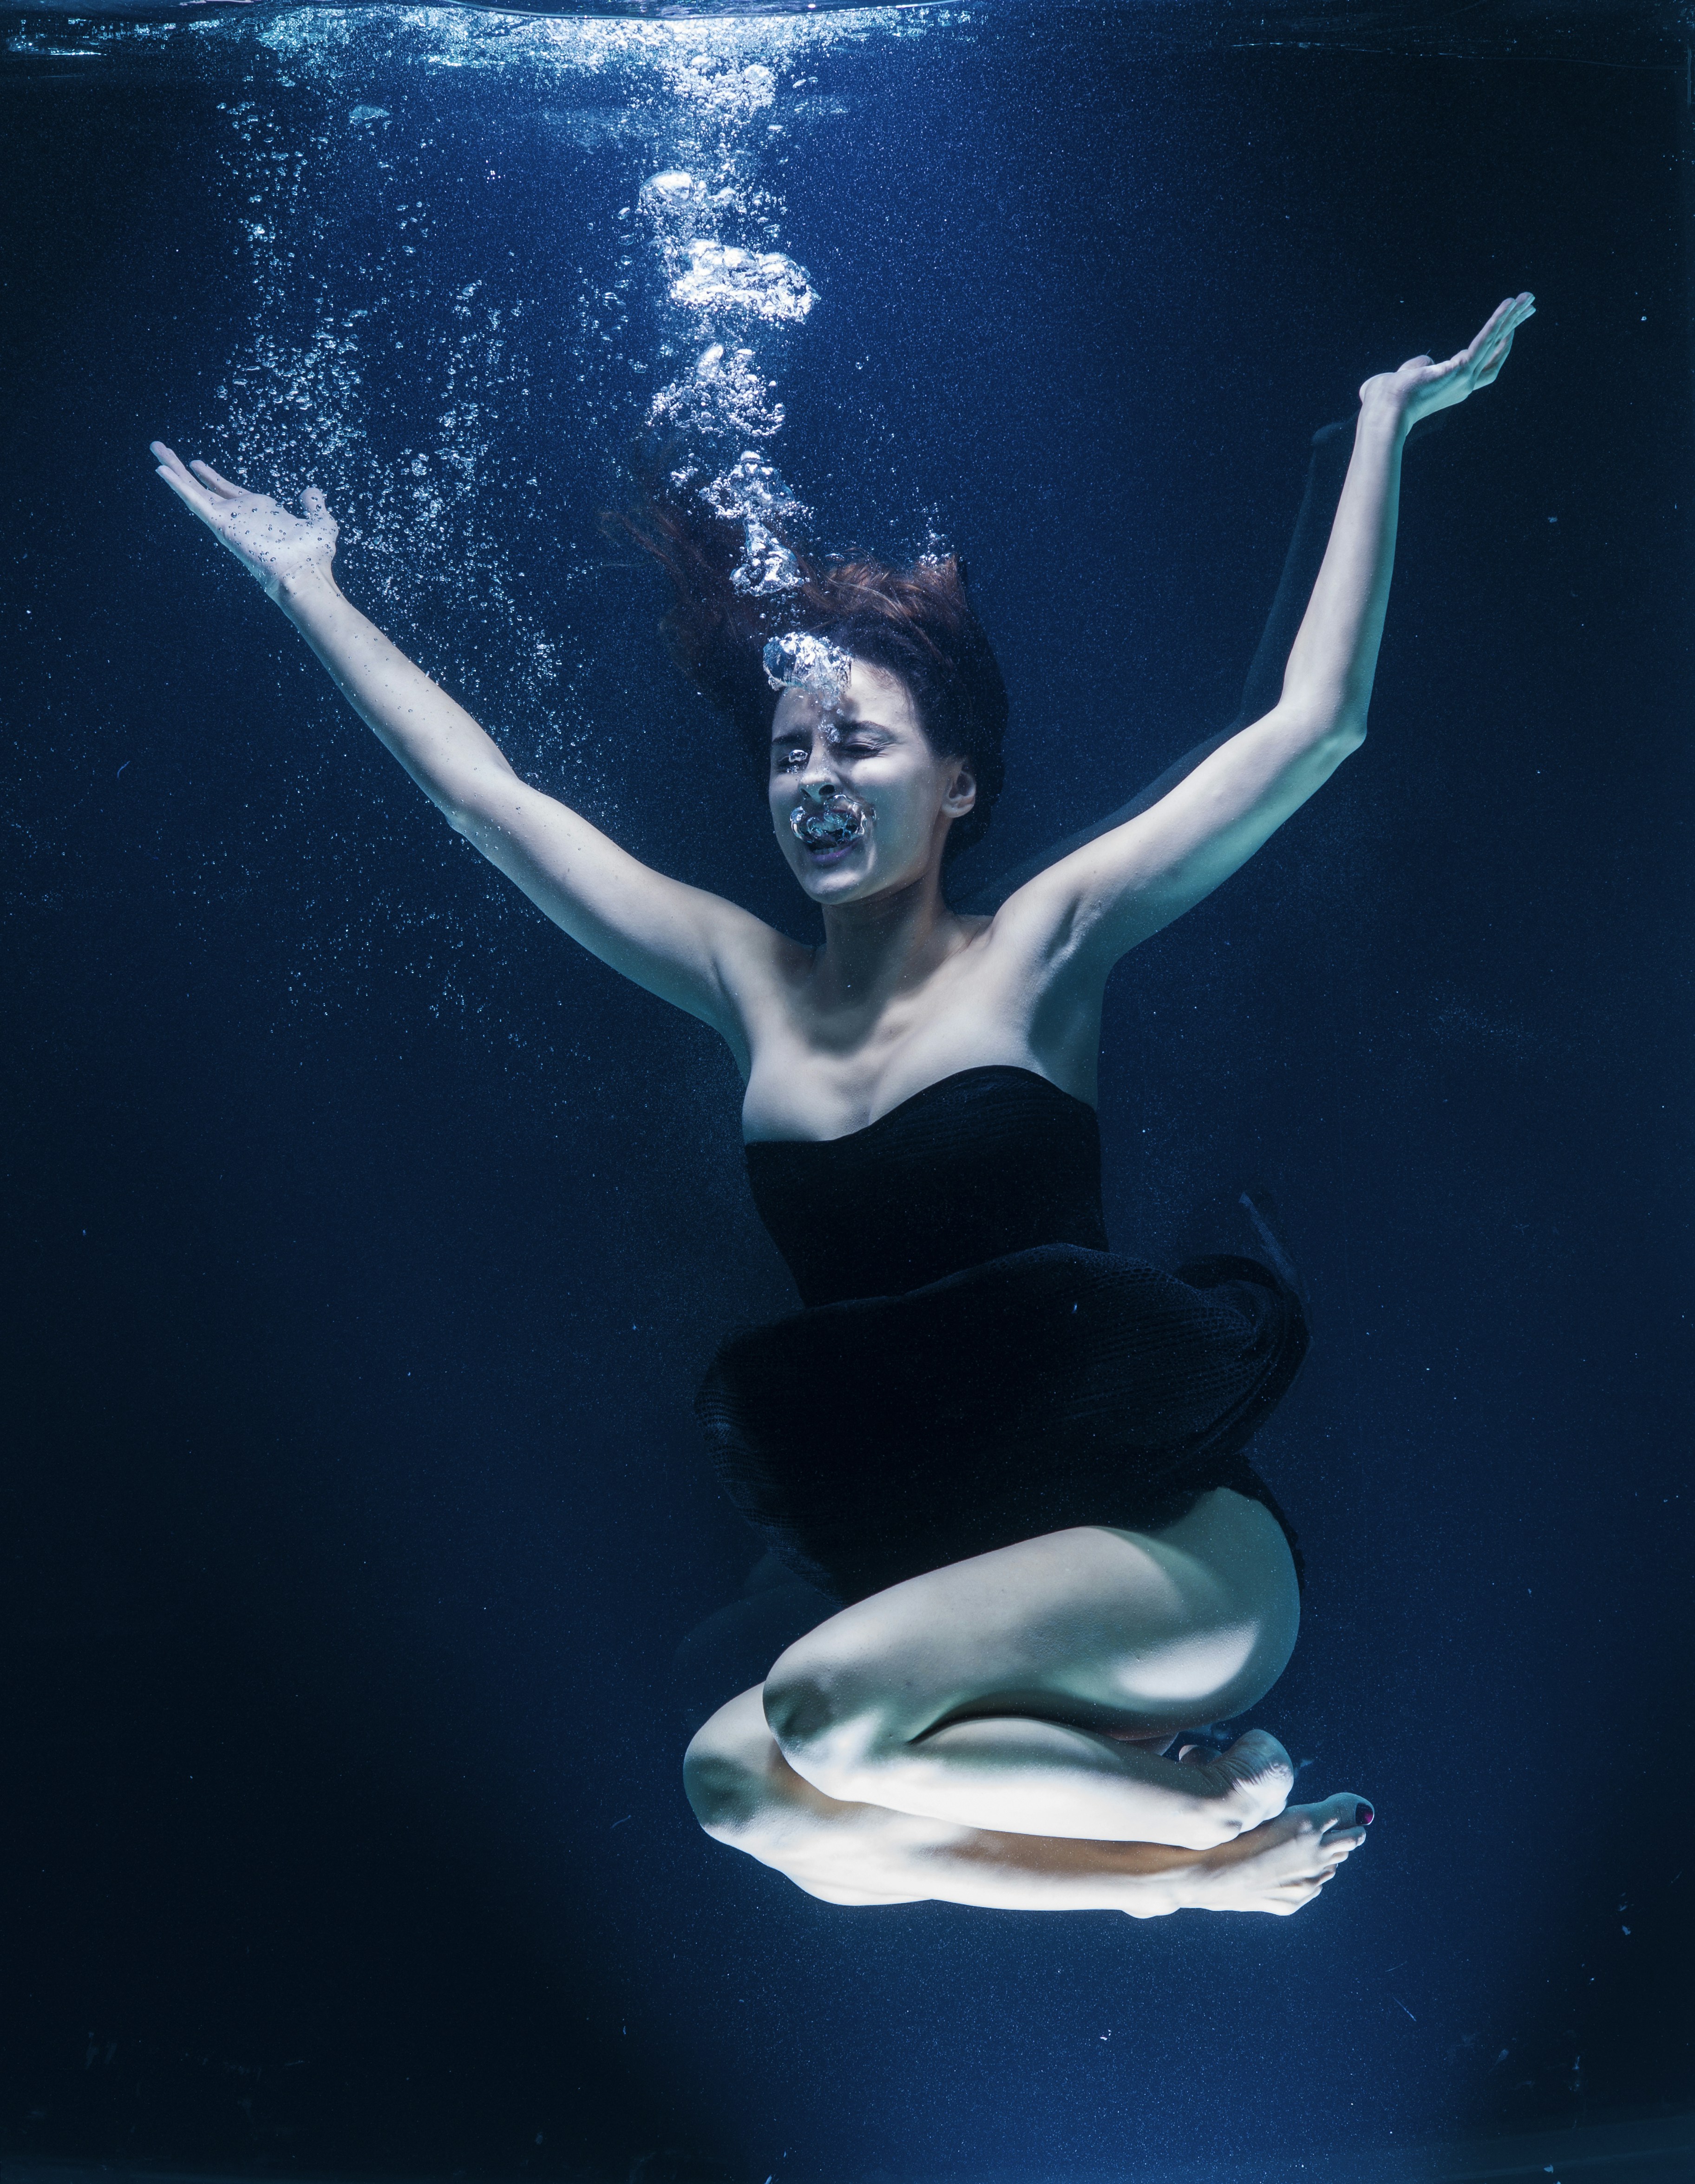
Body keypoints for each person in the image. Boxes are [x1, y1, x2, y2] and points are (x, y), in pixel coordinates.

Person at [150, 291, 1534, 1918]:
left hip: (1164, 1565)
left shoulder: (1046, 942)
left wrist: (1383, 421)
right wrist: (309, 585)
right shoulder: (746, 980)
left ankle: (1195, 1814)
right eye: (789, 751)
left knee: (817, 1712)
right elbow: (488, 805)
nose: (813, 777)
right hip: (957, 1590)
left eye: (858, 744)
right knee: (735, 1784)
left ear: (955, 785)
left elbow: (1313, 728)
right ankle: (1177, 1873)